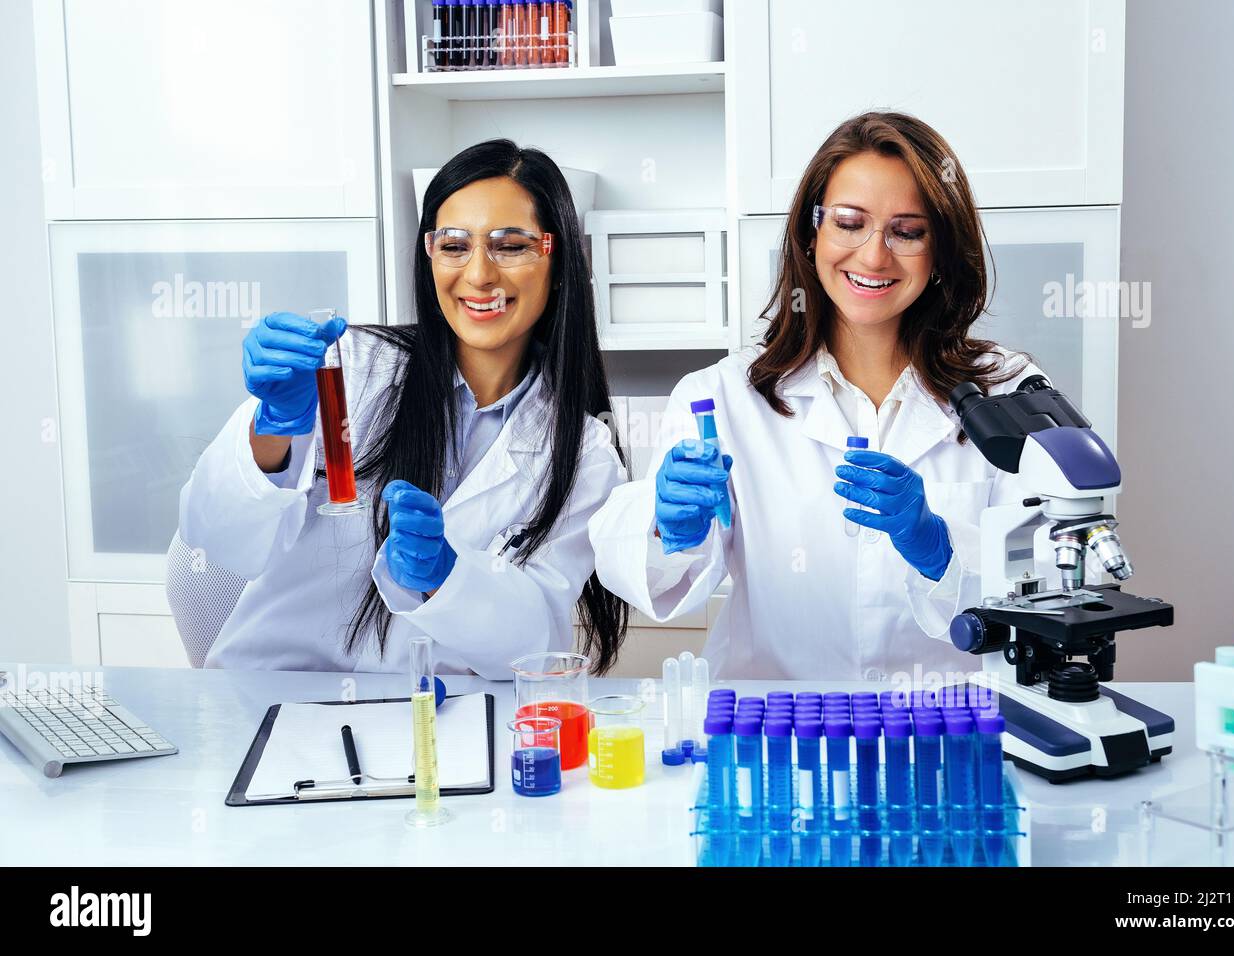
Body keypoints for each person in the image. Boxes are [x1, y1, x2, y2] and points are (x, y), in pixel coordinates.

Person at [590, 111, 1055, 681]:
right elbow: (659, 580)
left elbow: (1052, 584)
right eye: (849, 222)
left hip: (943, 736)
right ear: (812, 235)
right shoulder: (725, 397)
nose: (874, 255)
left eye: (907, 231)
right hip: (779, 737)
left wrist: (942, 550)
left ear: (940, 253)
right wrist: (665, 525)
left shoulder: (1007, 391)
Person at [180, 139, 627, 678]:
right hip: (281, 698)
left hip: (444, 724)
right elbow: (219, 542)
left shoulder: (584, 455)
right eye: (454, 245)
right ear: (429, 255)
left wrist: (447, 576)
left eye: (510, 246)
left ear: (558, 262)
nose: (480, 274)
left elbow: (531, 639)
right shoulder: (349, 368)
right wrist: (271, 429)